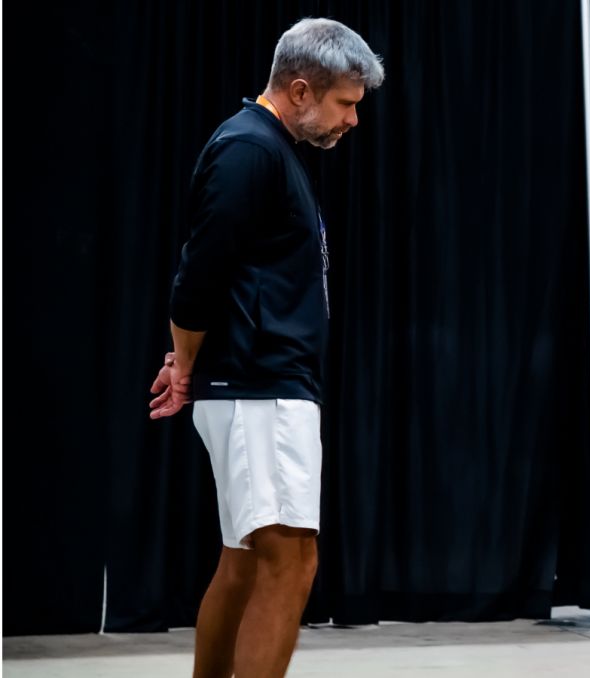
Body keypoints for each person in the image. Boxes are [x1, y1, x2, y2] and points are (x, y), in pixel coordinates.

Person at [147, 17, 384, 678]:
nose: (352, 121)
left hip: (258, 385)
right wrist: (186, 364)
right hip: (259, 387)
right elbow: (199, 274)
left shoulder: (264, 148)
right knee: (291, 560)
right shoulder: (250, 149)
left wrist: (191, 362)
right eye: (346, 104)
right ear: (301, 91)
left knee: (245, 558)